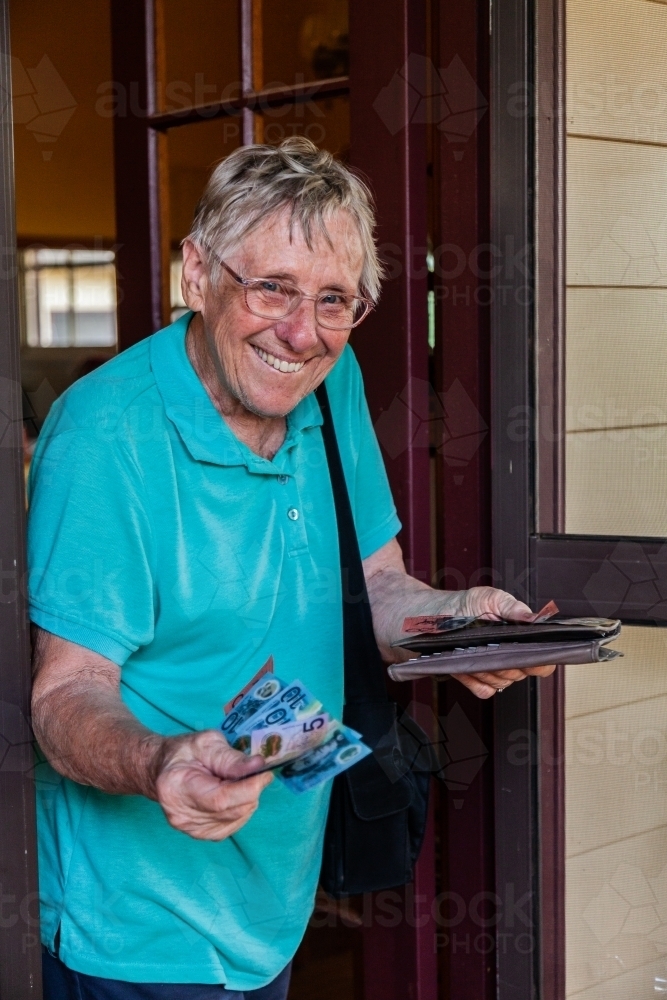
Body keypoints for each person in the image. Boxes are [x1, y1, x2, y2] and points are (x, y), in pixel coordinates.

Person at [28, 137, 554, 999]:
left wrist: (459, 621)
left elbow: (378, 587)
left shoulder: (322, 379)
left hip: (271, 903)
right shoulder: (103, 438)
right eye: (270, 287)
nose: (302, 332)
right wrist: (164, 762)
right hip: (140, 929)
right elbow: (62, 695)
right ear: (197, 273)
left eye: (334, 300)